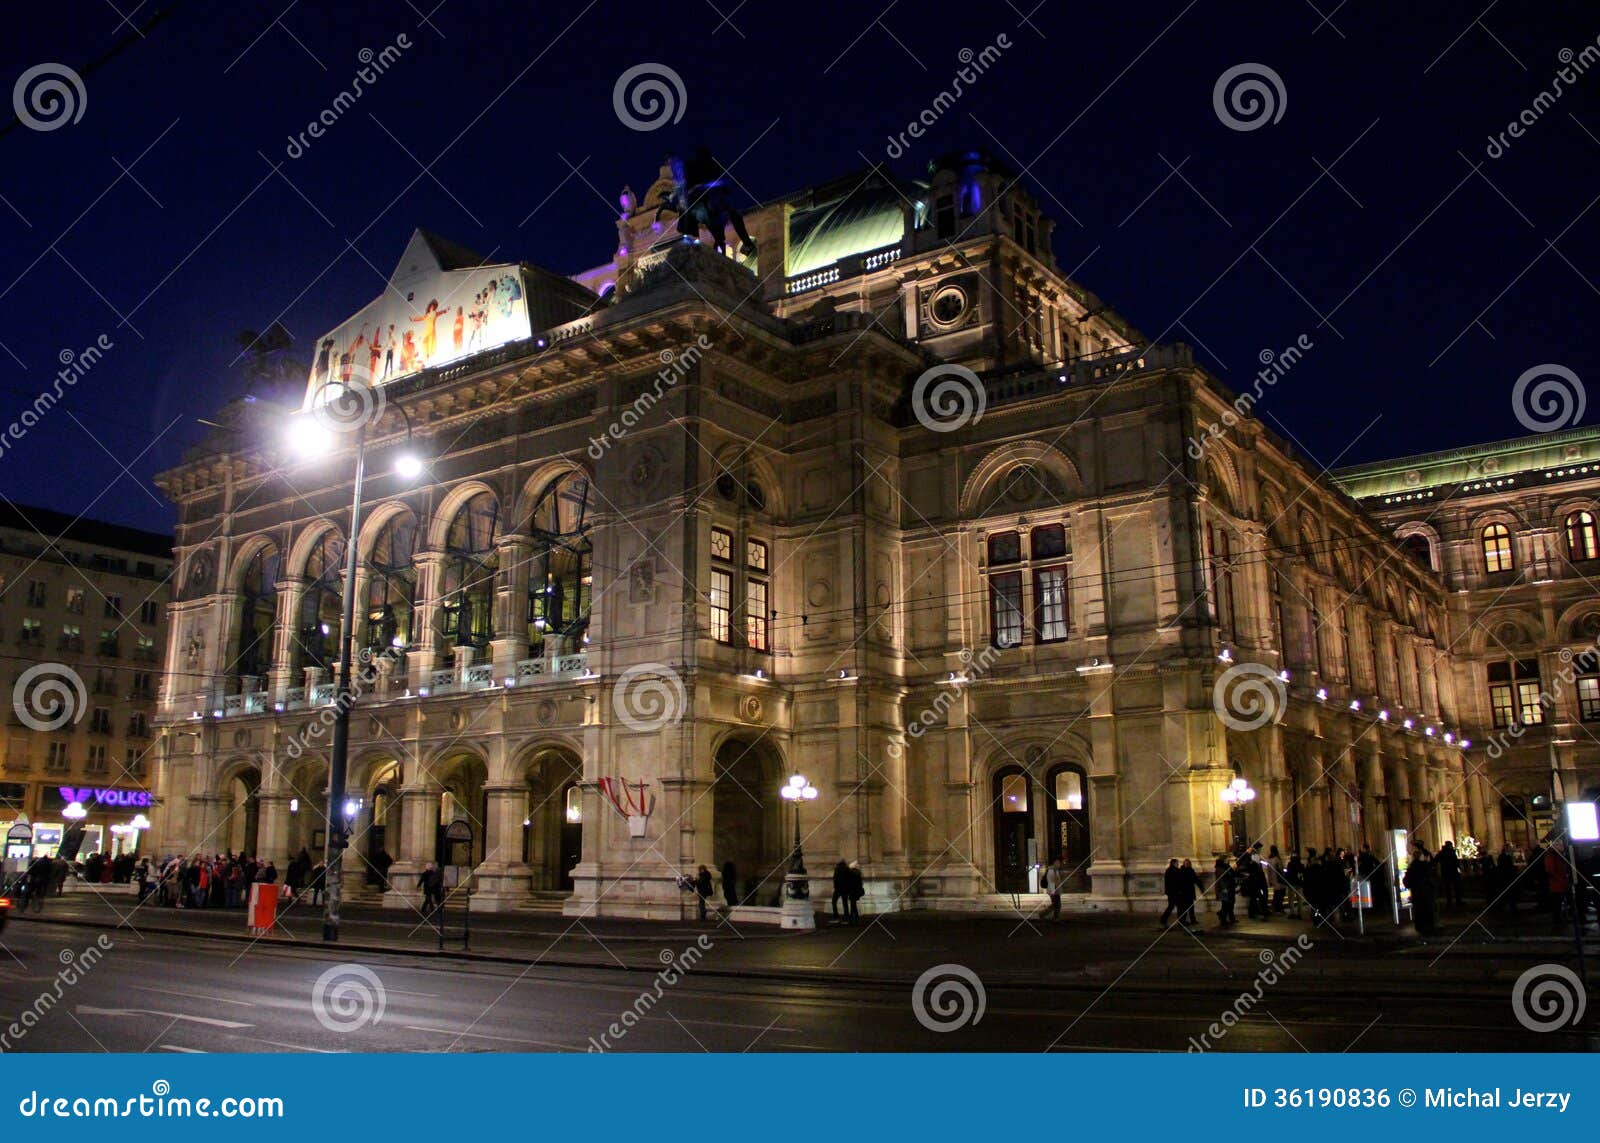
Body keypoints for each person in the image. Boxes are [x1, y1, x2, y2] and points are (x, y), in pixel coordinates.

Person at [1406, 848, 1438, 935]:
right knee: (1428, 909)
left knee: (1419, 911)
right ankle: (1429, 927)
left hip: (1416, 892)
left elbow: (1407, 881)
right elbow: (1431, 877)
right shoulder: (1425, 866)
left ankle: (1420, 927)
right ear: (1420, 857)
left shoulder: (1411, 867)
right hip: (1426, 892)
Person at [1544, 838, 1573, 930]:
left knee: (1562, 902)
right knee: (1557, 904)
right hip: (1557, 884)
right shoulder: (1551, 856)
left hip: (1562, 883)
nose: (1562, 846)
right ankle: (1558, 921)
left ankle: (1563, 918)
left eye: (1562, 844)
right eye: (1559, 844)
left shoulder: (1560, 855)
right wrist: (1561, 879)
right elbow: (1551, 871)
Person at [1175, 858, 1203, 928]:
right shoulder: (1181, 871)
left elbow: (1195, 879)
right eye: (1186, 863)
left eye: (1188, 863)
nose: (1187, 864)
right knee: (1184, 908)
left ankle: (1192, 920)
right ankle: (1183, 921)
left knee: (1191, 907)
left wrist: (1201, 887)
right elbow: (1179, 882)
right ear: (1184, 864)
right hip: (1184, 892)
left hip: (1189, 892)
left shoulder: (1191, 870)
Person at [1437, 840, 1463, 908]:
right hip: (1453, 872)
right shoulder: (1451, 852)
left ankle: (1450, 902)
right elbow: (1456, 861)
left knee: (1448, 888)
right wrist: (1459, 868)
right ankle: (1457, 901)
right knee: (1456, 887)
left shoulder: (1442, 853)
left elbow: (1436, 860)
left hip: (1446, 872)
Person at [1213, 856, 1237, 926]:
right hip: (1224, 889)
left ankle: (1228, 917)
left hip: (1230, 888)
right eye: (1227, 859)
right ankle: (1223, 919)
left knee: (1229, 903)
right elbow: (1221, 879)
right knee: (1225, 905)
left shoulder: (1227, 866)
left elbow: (1232, 875)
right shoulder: (1220, 868)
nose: (1228, 860)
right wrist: (1224, 888)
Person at [1159, 857, 1181, 926]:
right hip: (1175, 892)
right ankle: (1180, 921)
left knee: (1172, 906)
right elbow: (1177, 882)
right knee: (1177, 906)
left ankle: (1164, 919)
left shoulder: (1169, 870)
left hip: (1171, 892)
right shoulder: (1174, 871)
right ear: (1174, 863)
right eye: (1177, 863)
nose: (1178, 864)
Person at [831, 859, 850, 924]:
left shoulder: (837, 869)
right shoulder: (847, 869)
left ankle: (836, 917)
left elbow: (835, 879)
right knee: (845, 904)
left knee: (834, 902)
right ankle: (846, 919)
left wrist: (835, 887)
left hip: (838, 889)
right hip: (845, 889)